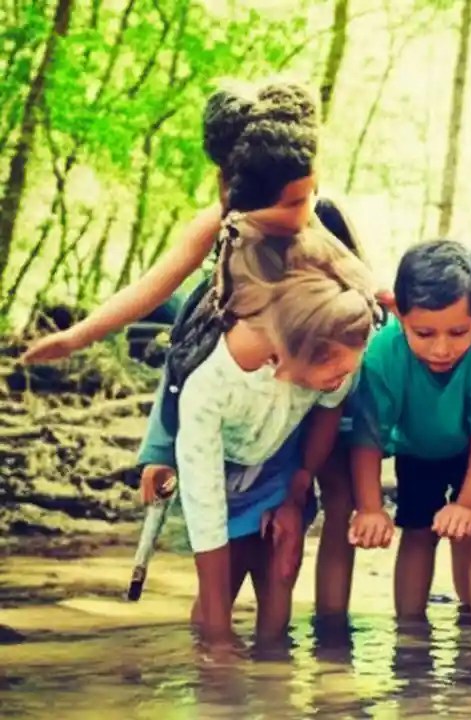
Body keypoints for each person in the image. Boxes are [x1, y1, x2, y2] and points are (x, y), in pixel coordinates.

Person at [31, 81, 372, 621]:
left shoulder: (311, 220)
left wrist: (390, 300)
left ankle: (304, 615)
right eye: (293, 200)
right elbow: (155, 291)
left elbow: (354, 271)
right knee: (188, 370)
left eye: (308, 194)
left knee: (303, 486)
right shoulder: (223, 224)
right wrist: (79, 336)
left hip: (298, 384)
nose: (305, 208)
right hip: (218, 358)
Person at [176, 216, 377, 650]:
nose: (342, 377)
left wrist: (297, 491)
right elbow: (205, 512)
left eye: (349, 368)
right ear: (285, 353)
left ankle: (273, 671)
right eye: (334, 370)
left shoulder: (333, 354)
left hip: (279, 466)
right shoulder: (210, 388)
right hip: (221, 477)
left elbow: (329, 409)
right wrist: (218, 637)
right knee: (218, 599)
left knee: (279, 573)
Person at [345, 241, 471, 626]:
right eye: (423, 333)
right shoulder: (383, 351)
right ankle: (409, 637)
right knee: (418, 529)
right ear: (396, 310)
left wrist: (468, 503)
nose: (442, 349)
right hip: (418, 449)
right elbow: (368, 436)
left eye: (458, 332)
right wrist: (370, 508)